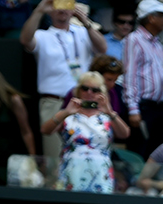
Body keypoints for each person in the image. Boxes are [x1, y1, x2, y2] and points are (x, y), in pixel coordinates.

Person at [21, 0, 107, 181]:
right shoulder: (43, 35)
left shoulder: (84, 32)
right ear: (51, 10)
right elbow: (25, 40)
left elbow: (102, 48)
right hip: (54, 101)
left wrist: (85, 21)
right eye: (58, 4)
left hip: (82, 102)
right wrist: (39, 11)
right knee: (54, 158)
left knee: (84, 154)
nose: (62, 10)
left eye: (67, 4)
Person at [121, 1, 163, 160]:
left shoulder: (157, 44)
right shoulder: (134, 40)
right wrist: (133, 109)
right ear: (151, 18)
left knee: (156, 156)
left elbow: (160, 71)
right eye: (162, 16)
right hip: (143, 108)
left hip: (159, 107)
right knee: (139, 152)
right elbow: (130, 75)